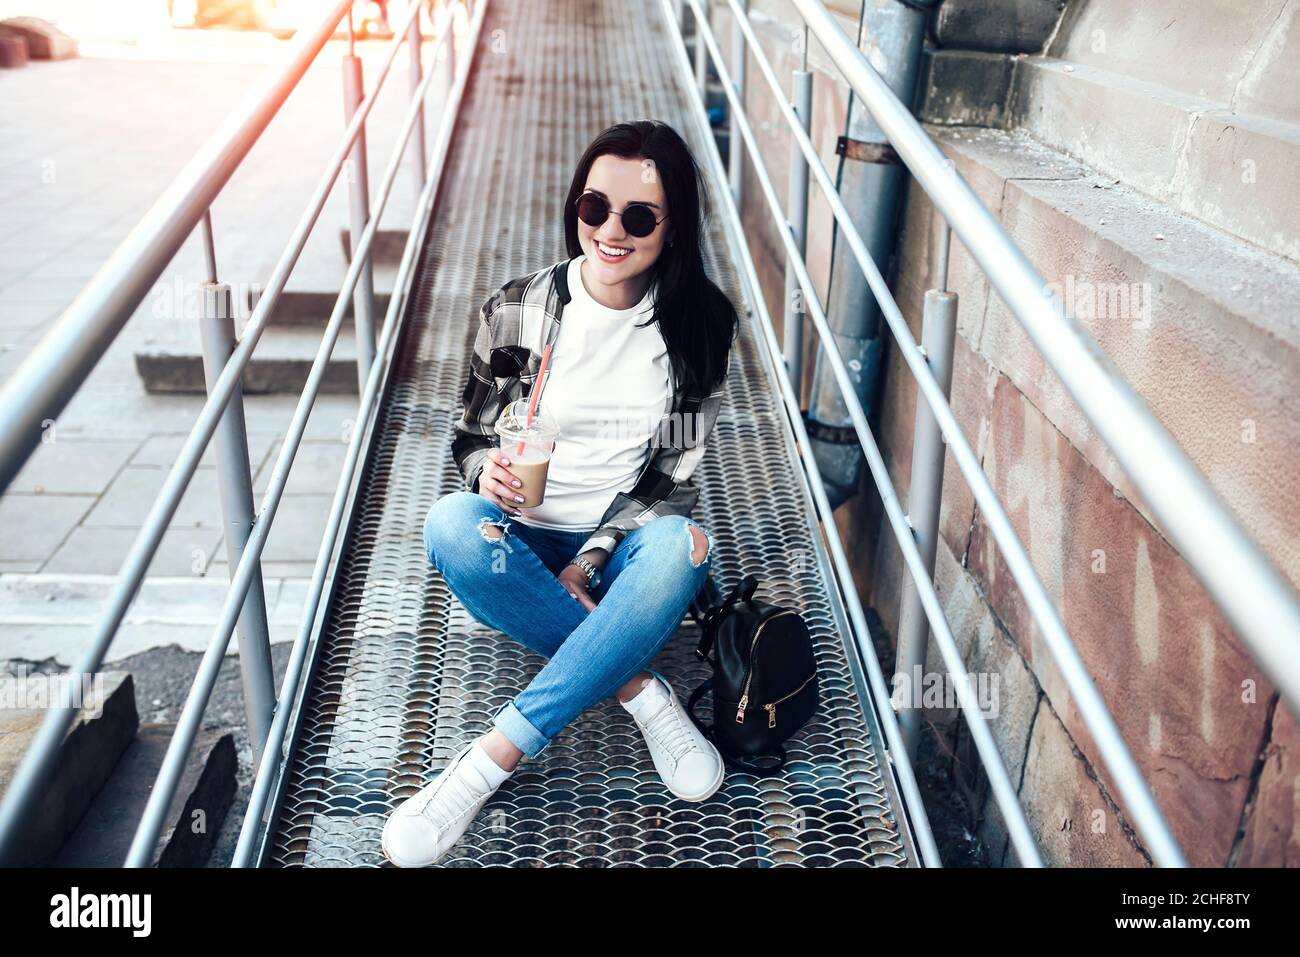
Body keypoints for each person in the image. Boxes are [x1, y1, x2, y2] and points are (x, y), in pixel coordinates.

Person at [381, 120, 739, 867]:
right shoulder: (518, 307)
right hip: (522, 532)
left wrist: (593, 559)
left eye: (639, 217)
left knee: (686, 545)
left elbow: (671, 477)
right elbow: (468, 433)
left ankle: (486, 761)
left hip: (621, 542)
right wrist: (486, 473)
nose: (610, 231)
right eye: (593, 207)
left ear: (673, 229)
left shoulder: (701, 324)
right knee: (451, 525)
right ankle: (638, 685)